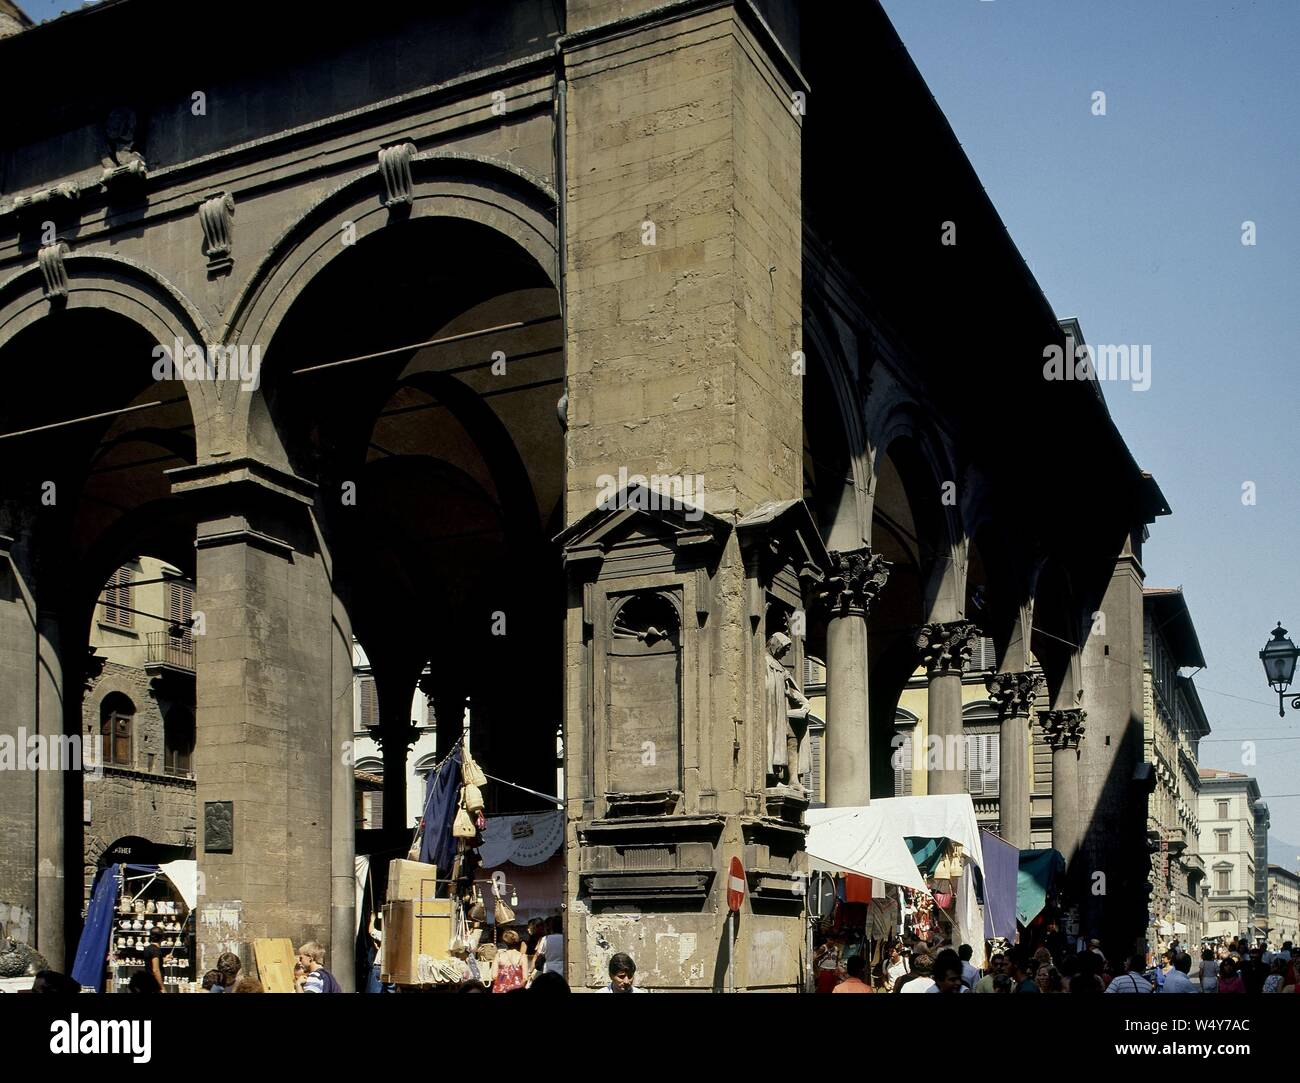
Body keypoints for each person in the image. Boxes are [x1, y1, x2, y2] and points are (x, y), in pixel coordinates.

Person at [536, 915, 564, 982]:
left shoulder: (546, 939)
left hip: (549, 968)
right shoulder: (566, 939)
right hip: (563, 968)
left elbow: (540, 955)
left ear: (551, 927)